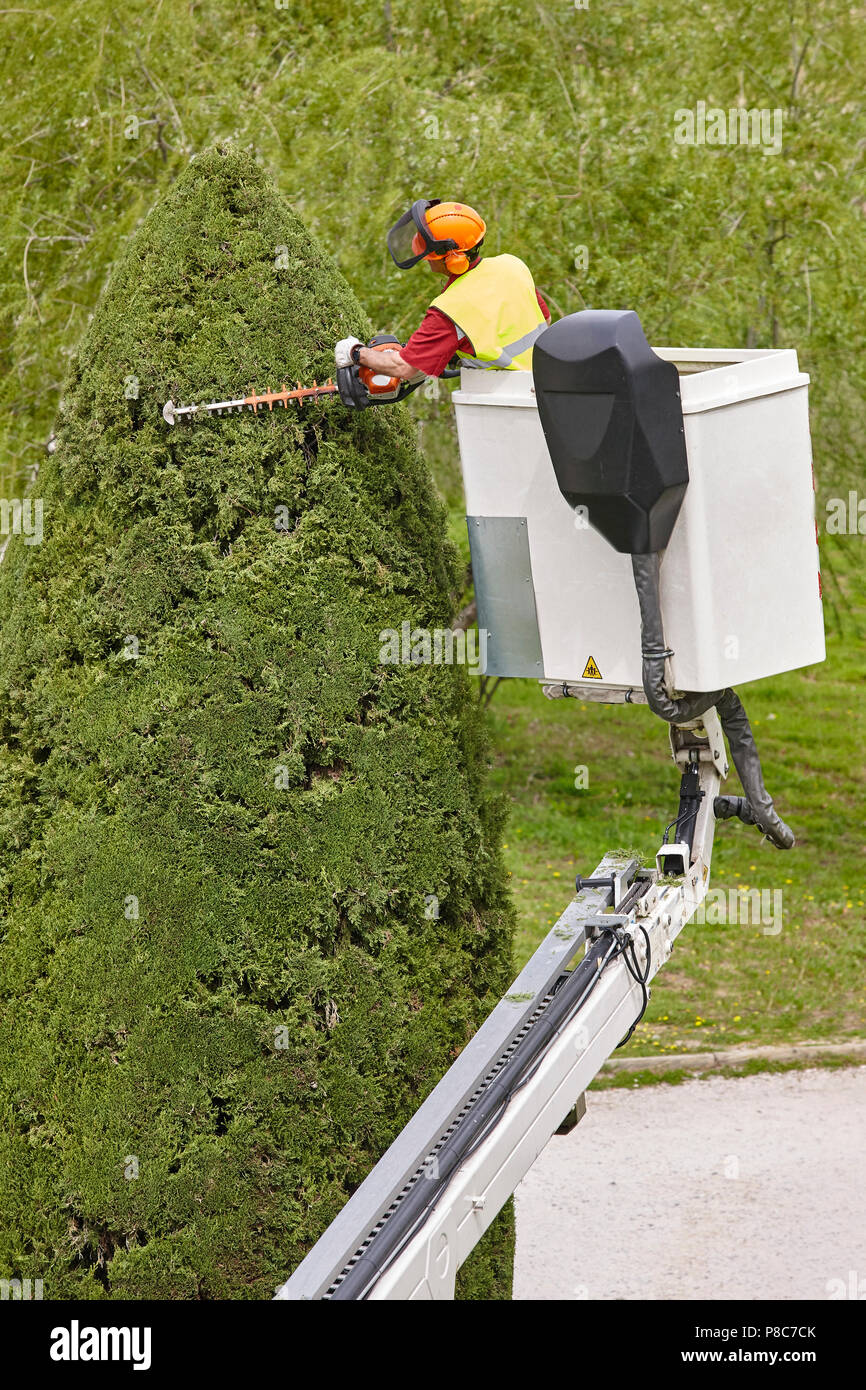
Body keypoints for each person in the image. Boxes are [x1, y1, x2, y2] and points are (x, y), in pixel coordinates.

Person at [334, 199, 550, 385]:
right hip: (545, 381)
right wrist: (461, 351)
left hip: (499, 400)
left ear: (452, 258)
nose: (424, 255)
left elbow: (403, 367)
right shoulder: (512, 264)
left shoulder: (450, 309)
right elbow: (544, 319)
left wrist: (356, 352)